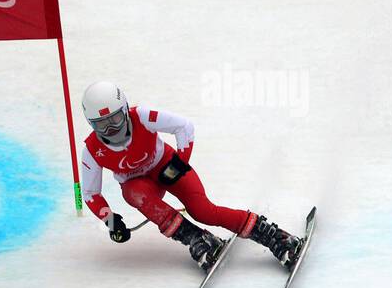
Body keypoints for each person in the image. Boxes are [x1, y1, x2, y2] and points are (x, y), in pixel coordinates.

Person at [78, 81, 302, 270]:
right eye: (102, 126)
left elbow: (184, 126)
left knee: (203, 211)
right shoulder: (91, 150)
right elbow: (90, 193)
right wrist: (109, 220)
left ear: (125, 110)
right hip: (141, 186)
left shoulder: (142, 116)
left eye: (115, 120)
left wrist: (178, 163)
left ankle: (276, 237)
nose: (111, 130)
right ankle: (198, 239)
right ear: (91, 124)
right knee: (132, 192)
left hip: (167, 167)